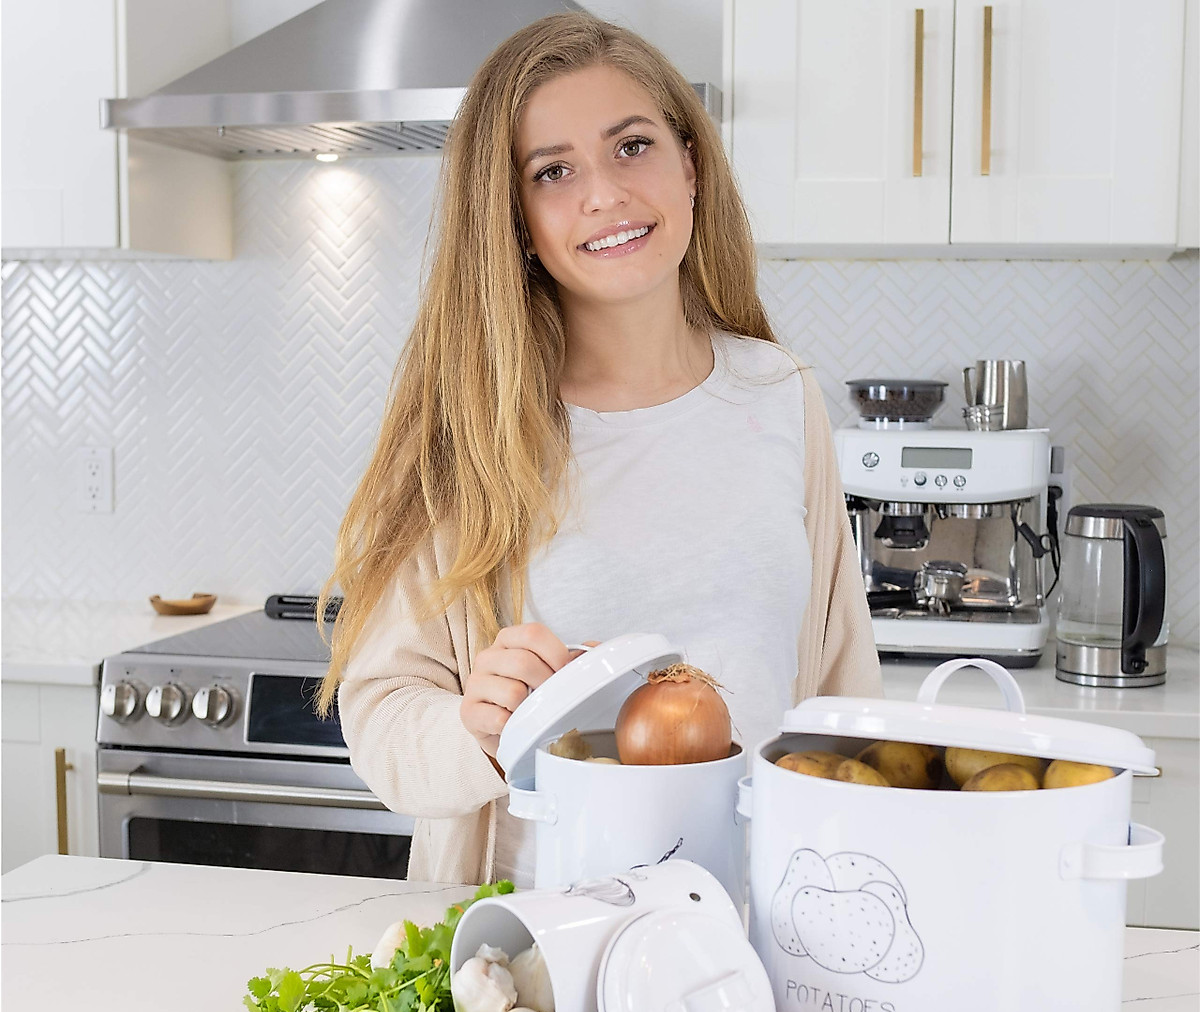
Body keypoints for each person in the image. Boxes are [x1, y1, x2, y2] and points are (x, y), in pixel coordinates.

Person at [316, 13, 882, 887]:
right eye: (554, 171)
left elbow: (844, 693)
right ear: (514, 219)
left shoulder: (780, 393)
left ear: (690, 163)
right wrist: (479, 726)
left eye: (632, 146)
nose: (606, 195)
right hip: (540, 950)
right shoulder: (473, 426)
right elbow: (383, 720)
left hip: (763, 934)